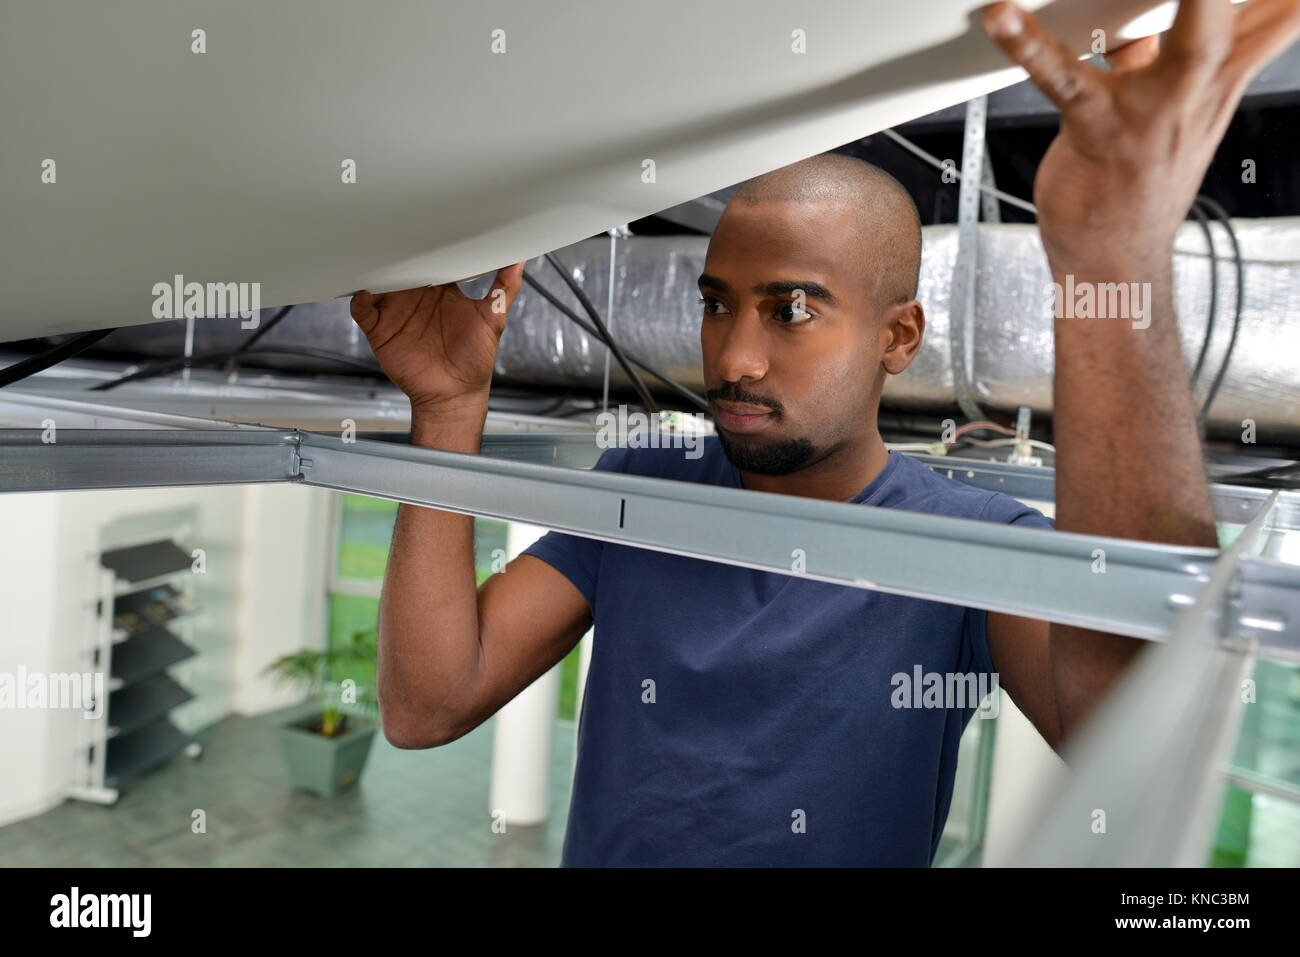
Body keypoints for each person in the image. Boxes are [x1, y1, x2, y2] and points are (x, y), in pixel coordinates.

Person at [347, 0, 1300, 865]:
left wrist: (1113, 249)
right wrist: (447, 410)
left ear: (898, 337)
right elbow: (426, 705)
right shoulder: (642, 487)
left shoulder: (964, 544)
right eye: (718, 306)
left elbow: (1133, 732)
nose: (735, 359)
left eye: (790, 309)